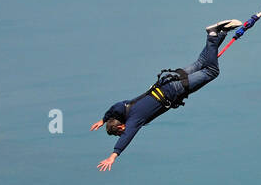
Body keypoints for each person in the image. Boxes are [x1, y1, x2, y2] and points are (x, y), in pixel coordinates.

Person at [90, 19, 243, 171]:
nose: (122, 134)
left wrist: (113, 156)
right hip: (167, 80)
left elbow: (127, 137)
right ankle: (221, 32)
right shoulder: (126, 107)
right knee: (202, 62)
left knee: (211, 71)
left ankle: (212, 34)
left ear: (121, 126)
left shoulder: (134, 119)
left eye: (119, 133)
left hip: (175, 89)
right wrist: (103, 120)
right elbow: (113, 108)